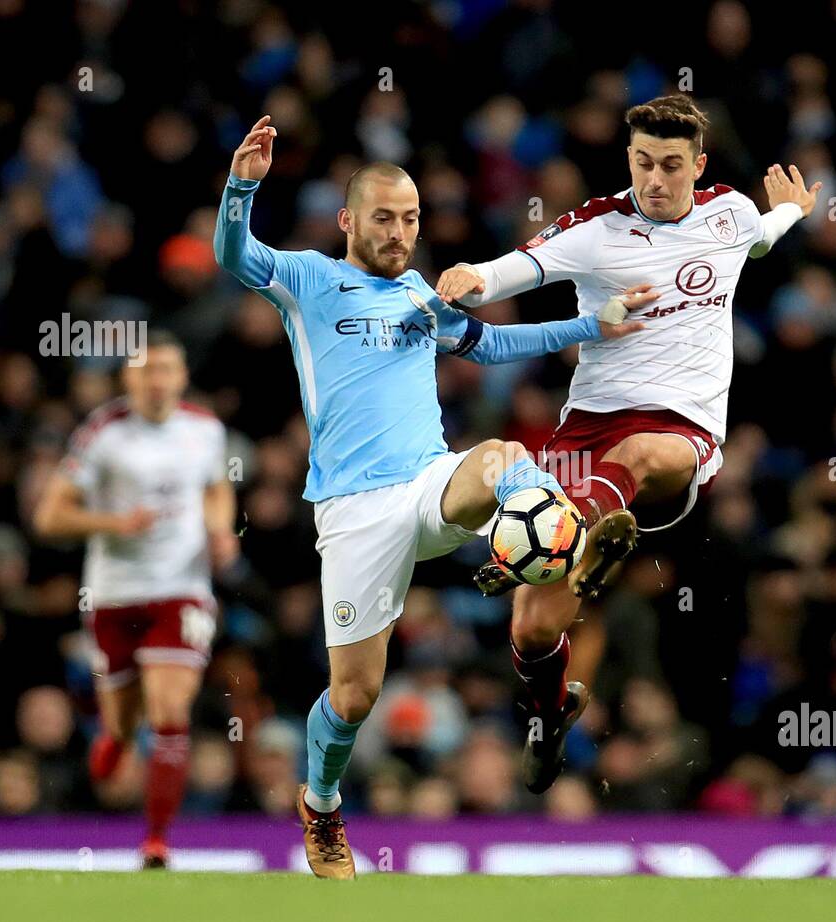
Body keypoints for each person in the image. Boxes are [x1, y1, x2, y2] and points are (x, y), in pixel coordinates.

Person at [214, 116, 654, 878]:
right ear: (349, 219)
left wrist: (593, 323)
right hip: (354, 510)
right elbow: (234, 256)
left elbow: (490, 345)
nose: (400, 232)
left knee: (504, 456)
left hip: (428, 482)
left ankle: (557, 540)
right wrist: (242, 184)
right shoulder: (311, 280)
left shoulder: (422, 293)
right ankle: (320, 804)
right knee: (354, 696)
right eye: (384, 217)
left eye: (411, 218)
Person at [435, 94, 821, 792]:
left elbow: (758, 238)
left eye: (672, 165)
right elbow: (524, 265)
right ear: (630, 159)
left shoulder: (729, 211)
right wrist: (474, 279)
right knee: (529, 627)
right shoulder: (596, 228)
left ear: (697, 166)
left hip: (681, 429)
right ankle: (549, 715)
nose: (655, 179)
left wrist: (792, 210)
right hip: (587, 431)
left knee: (642, 453)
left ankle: (570, 539)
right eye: (643, 162)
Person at [33, 333, 238, 867]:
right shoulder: (103, 434)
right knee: (123, 725)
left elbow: (217, 487)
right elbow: (50, 516)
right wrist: (113, 523)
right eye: (147, 372)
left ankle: (156, 841)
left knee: (170, 710)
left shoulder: (204, 429)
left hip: (182, 589)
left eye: (167, 370)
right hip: (114, 594)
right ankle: (116, 739)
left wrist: (220, 531)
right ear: (128, 380)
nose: (157, 382)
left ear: (182, 376)